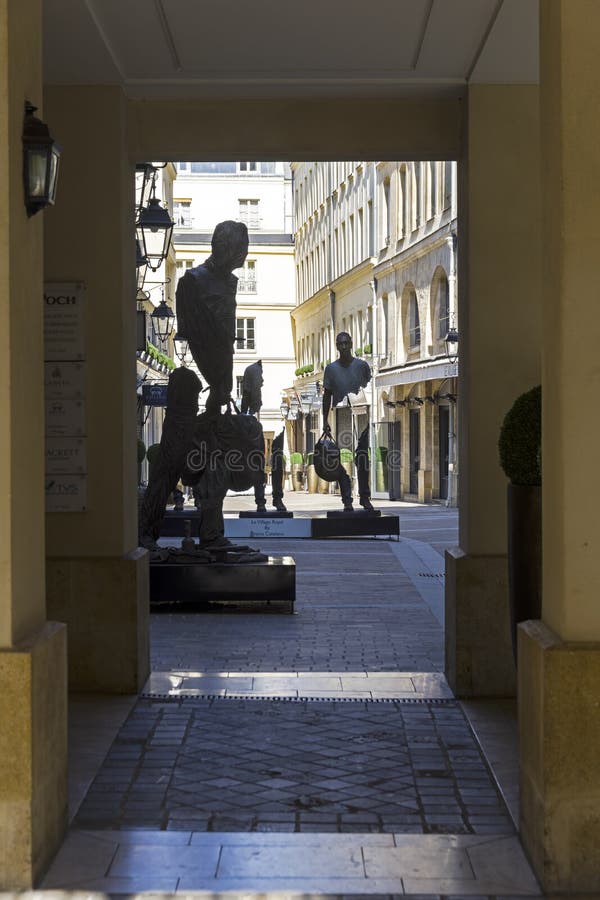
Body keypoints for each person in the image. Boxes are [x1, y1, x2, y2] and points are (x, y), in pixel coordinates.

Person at [322, 331, 374, 511]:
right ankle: (347, 499)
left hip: (361, 413)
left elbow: (371, 390)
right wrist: (325, 419)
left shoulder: (362, 366)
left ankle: (365, 497)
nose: (343, 347)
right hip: (341, 413)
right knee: (341, 458)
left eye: (346, 343)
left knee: (362, 457)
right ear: (337, 346)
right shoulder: (331, 369)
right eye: (340, 344)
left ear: (351, 344)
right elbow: (326, 396)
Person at [240, 360, 267, 512]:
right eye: (261, 379)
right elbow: (254, 391)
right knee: (258, 464)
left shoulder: (252, 371)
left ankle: (260, 501)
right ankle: (260, 501)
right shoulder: (253, 425)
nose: (263, 382)